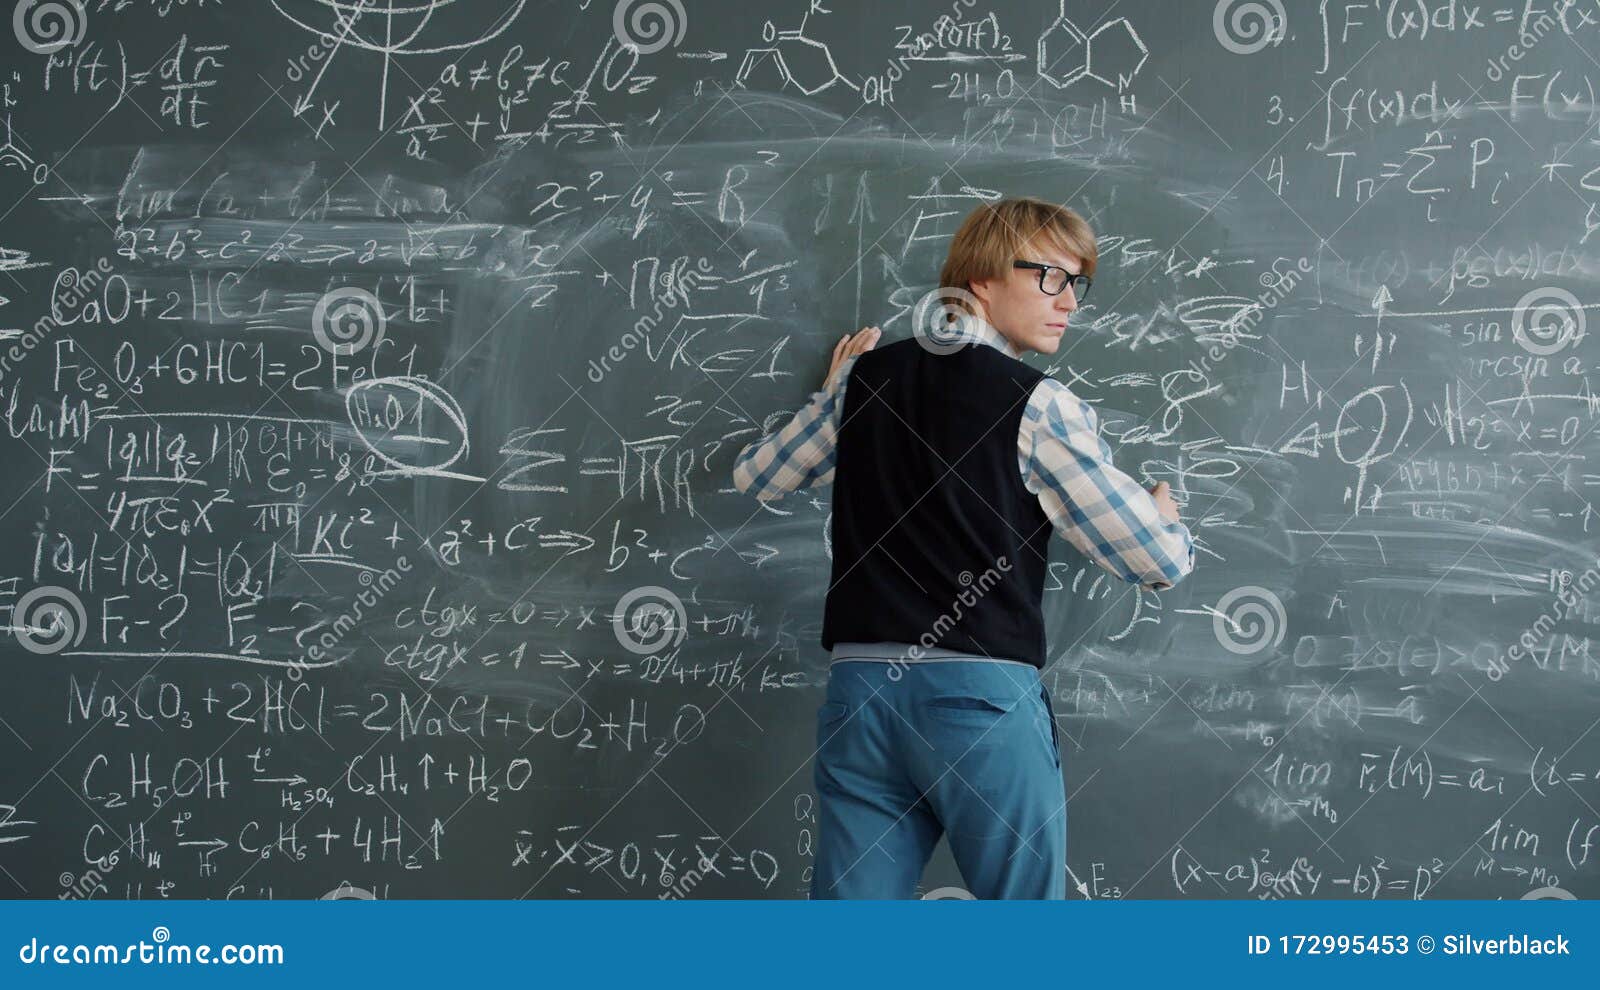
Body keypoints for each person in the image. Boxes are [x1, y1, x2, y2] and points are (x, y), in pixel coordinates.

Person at [731, 197, 1196, 899]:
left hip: (862, 693)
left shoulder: (865, 383)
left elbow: (759, 477)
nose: (1069, 301)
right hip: (976, 700)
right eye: (1049, 277)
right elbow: (1156, 561)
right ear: (980, 277)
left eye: (1078, 283)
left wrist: (833, 392)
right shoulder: (1038, 404)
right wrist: (1161, 519)